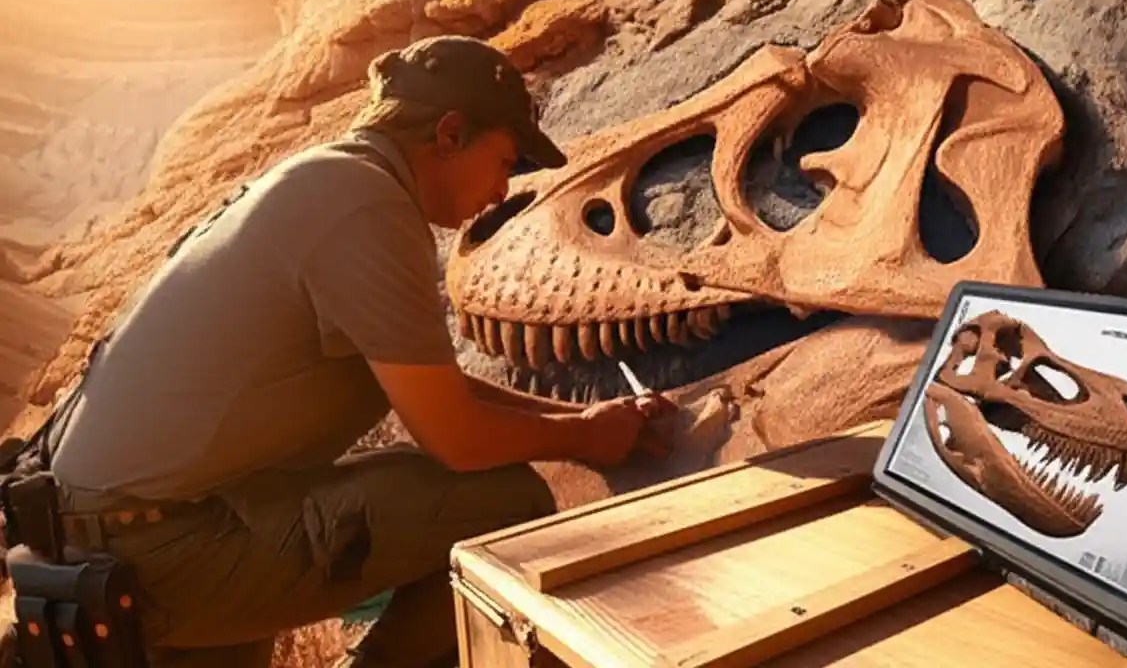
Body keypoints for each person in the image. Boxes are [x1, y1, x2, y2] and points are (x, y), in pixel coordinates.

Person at [32, 35, 677, 667]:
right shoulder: (369, 209)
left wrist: (584, 422)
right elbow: (455, 437)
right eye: (506, 162)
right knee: (504, 505)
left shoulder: (329, 179)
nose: (503, 191)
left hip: (109, 534)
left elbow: (439, 388)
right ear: (449, 135)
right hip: (160, 546)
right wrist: (584, 440)